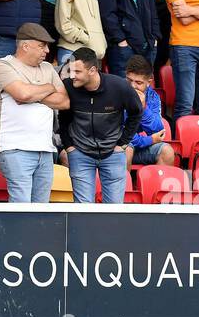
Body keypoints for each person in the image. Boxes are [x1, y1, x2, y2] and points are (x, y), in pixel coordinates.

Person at [0, 23, 70, 203]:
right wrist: (49, 88)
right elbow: (23, 94)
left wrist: (32, 94)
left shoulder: (48, 68)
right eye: (42, 45)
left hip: (45, 149)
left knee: (41, 210)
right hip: (15, 148)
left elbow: (64, 102)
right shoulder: (3, 64)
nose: (47, 50)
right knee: (21, 208)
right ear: (25, 46)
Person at [61, 46, 144, 203]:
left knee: (112, 211)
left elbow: (136, 113)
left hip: (113, 153)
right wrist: (69, 146)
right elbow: (63, 118)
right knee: (83, 211)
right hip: (80, 154)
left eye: (77, 72)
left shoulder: (119, 86)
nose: (72, 76)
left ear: (92, 70)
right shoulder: (68, 87)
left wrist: (123, 144)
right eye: (71, 71)